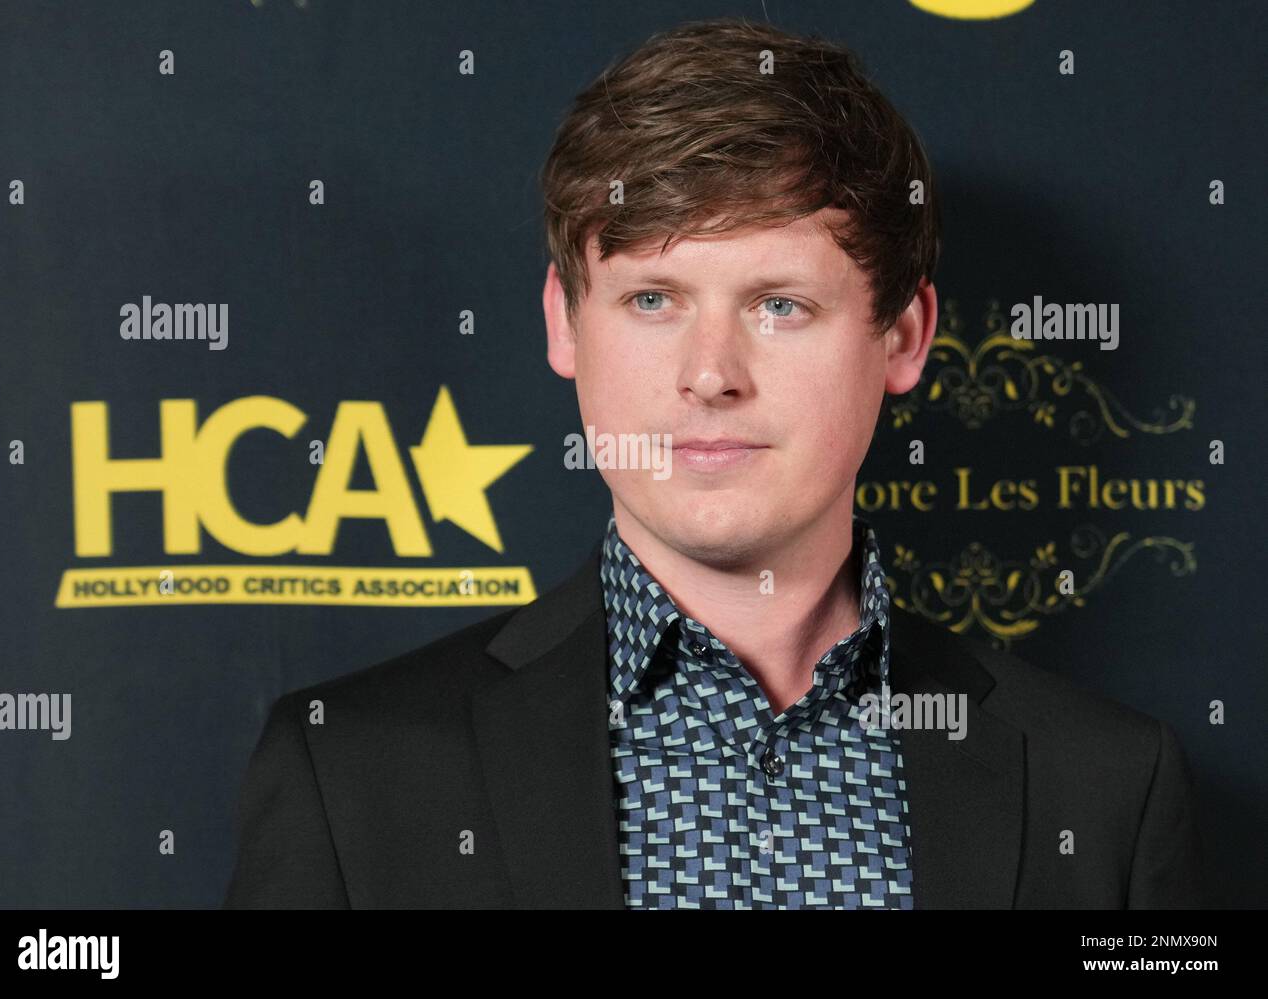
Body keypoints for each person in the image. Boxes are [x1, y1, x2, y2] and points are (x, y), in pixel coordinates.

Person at [223, 16, 1206, 909]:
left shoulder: (1106, 789)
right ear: (566, 325)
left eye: (779, 304)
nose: (709, 375)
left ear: (903, 337)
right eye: (652, 299)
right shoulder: (349, 774)